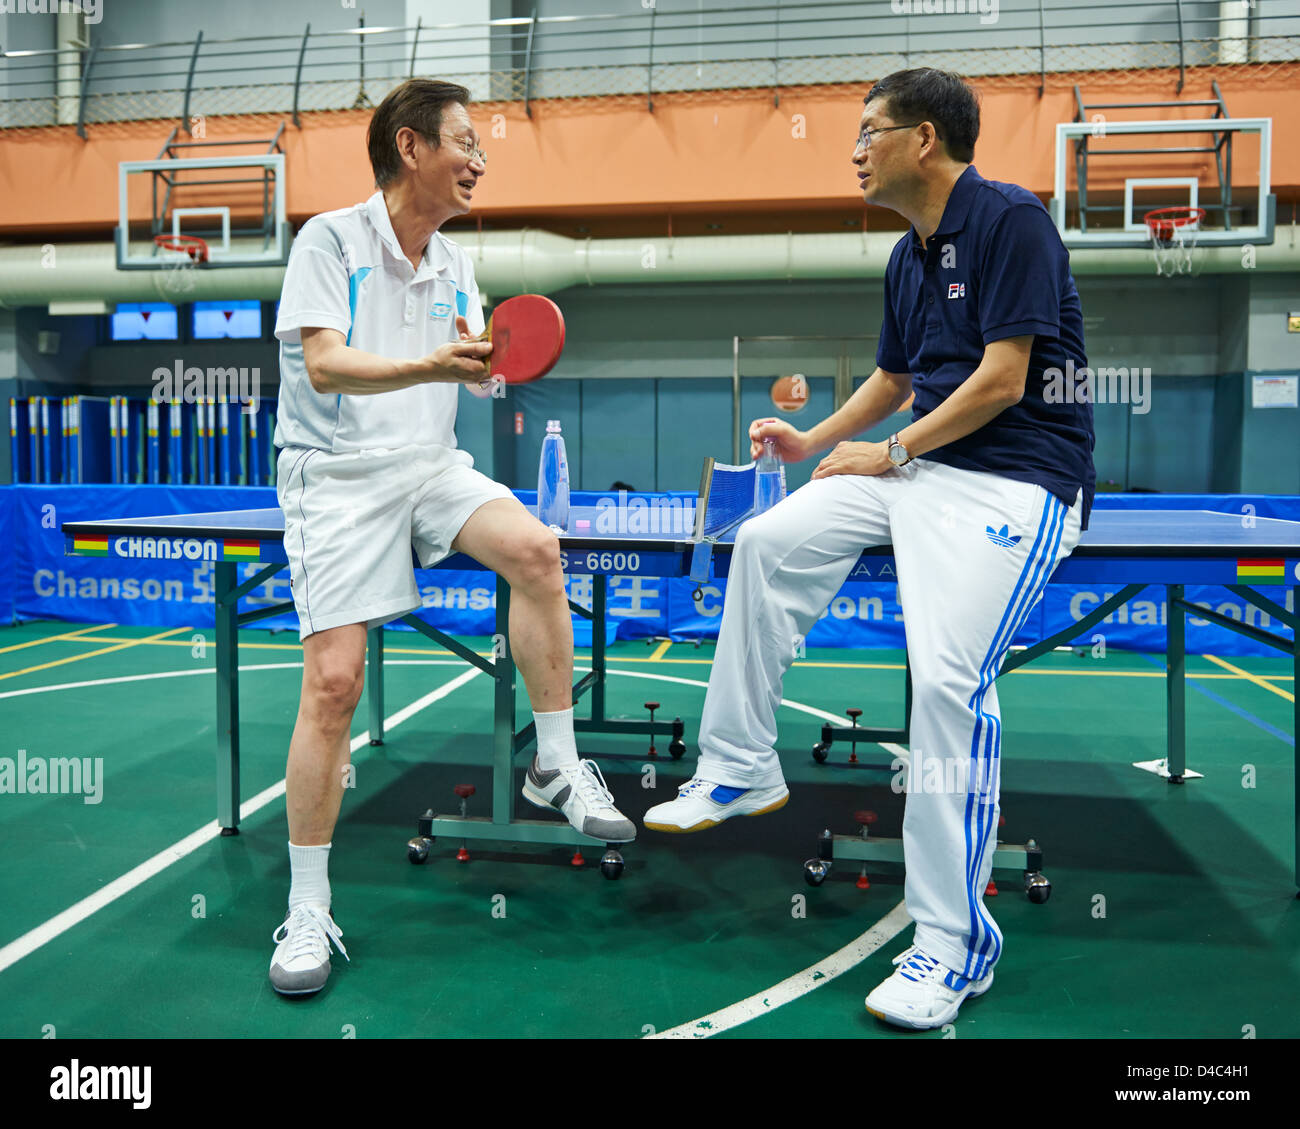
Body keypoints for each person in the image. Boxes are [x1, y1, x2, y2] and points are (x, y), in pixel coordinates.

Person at [643, 67, 1095, 1030]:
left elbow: (1006, 380)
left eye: (867, 131)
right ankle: (739, 763)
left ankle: (953, 946)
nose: (852, 149)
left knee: (946, 685)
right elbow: (896, 377)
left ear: (923, 139)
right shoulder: (908, 255)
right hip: (918, 469)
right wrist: (814, 445)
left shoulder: (1012, 221)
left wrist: (888, 452)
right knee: (764, 540)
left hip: (1018, 479)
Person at [267, 78, 635, 997]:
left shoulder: (457, 265)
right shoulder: (329, 241)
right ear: (408, 146)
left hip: (429, 463)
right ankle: (308, 903)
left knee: (538, 552)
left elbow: (468, 362)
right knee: (334, 682)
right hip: (337, 476)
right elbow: (325, 362)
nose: (479, 161)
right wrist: (432, 362)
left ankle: (555, 761)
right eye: (465, 143)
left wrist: (475, 368)